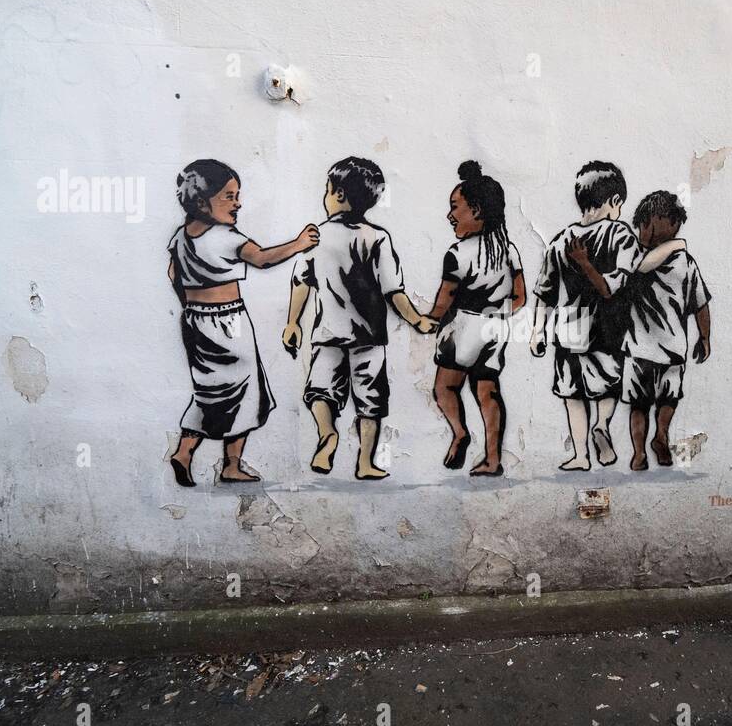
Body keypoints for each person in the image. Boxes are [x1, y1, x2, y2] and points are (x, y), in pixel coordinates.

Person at [282, 156, 437, 480]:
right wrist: (418, 320)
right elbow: (394, 291)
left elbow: (301, 283)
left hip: (327, 334)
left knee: (319, 391)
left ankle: (327, 433)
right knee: (371, 402)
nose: (324, 197)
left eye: (327, 190)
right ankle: (366, 462)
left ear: (338, 194)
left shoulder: (317, 237)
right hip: (369, 336)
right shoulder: (377, 238)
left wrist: (292, 323)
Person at [167, 159, 318, 487]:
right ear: (201, 201)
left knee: (209, 391)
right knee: (245, 391)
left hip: (194, 320)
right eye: (228, 196)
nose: (237, 203)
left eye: (237, 195)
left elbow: (173, 275)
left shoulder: (181, 237)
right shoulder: (223, 236)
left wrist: (190, 307)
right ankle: (231, 464)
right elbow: (262, 259)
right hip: (228, 322)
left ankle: (185, 451)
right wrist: (298, 244)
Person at [568, 190, 711, 470]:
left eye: (647, 222)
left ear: (668, 223)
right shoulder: (641, 263)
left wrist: (705, 337)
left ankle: (655, 440)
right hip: (646, 348)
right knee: (648, 403)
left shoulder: (677, 263)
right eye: (641, 223)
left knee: (657, 401)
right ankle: (642, 450)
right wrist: (585, 264)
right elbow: (608, 290)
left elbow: (699, 304)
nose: (642, 229)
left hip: (659, 349)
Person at [426, 161, 526, 476]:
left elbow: (446, 298)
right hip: (497, 325)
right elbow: (520, 297)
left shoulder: (458, 253)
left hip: (463, 326)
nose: (450, 215)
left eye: (456, 207)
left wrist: (430, 321)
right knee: (488, 391)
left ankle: (459, 432)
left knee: (445, 388)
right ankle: (493, 459)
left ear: (477, 210)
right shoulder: (508, 250)